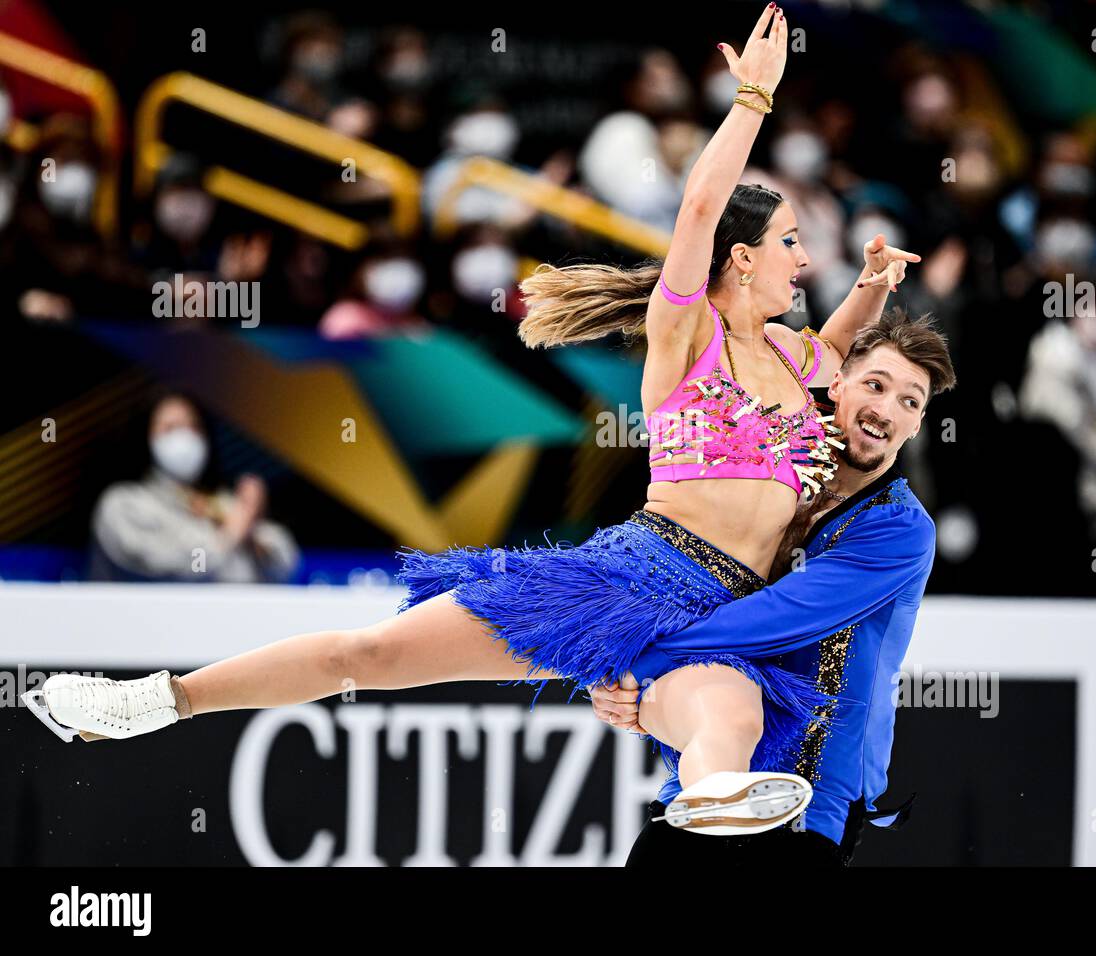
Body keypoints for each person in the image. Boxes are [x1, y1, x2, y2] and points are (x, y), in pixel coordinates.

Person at [25, 4, 915, 837]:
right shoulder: (686, 337)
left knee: (732, 712)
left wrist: (872, 290)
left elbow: (840, 353)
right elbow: (694, 208)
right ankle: (156, 702)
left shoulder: (797, 363)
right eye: (793, 243)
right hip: (637, 577)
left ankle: (713, 799)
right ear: (742, 256)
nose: (806, 260)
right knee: (368, 654)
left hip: (728, 612)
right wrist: (753, 99)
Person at [591, 309, 955, 865]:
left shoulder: (899, 530)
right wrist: (620, 672)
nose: (885, 410)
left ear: (917, 424)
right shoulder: (771, 473)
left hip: (810, 812)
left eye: (910, 401)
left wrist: (644, 664)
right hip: (710, 779)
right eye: (875, 385)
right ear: (837, 385)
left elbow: (780, 615)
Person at [89, 390, 300, 584]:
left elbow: (285, 564)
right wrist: (231, 533)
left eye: (193, 427)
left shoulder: (220, 503)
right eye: (170, 428)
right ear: (146, 436)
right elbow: (177, 568)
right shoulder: (123, 505)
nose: (185, 438)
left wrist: (250, 529)